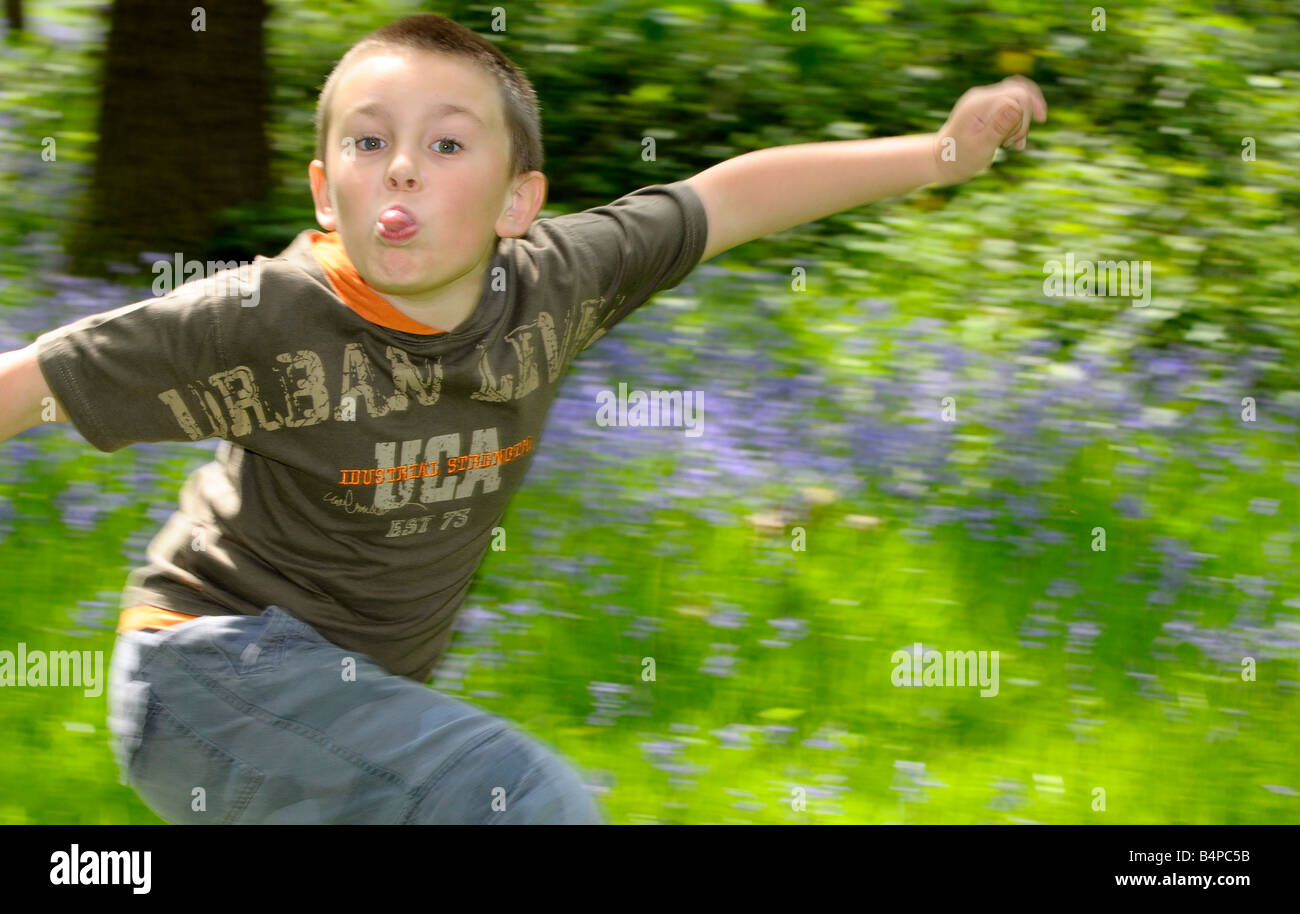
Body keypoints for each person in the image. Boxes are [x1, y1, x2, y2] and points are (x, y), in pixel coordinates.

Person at [0, 13, 1045, 824]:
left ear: (517, 201)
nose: (401, 166)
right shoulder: (259, 321)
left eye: (446, 145)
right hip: (204, 673)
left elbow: (728, 198)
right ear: (327, 192)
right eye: (368, 142)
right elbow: (23, 385)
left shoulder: (561, 281)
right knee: (524, 798)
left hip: (349, 700)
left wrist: (938, 158)